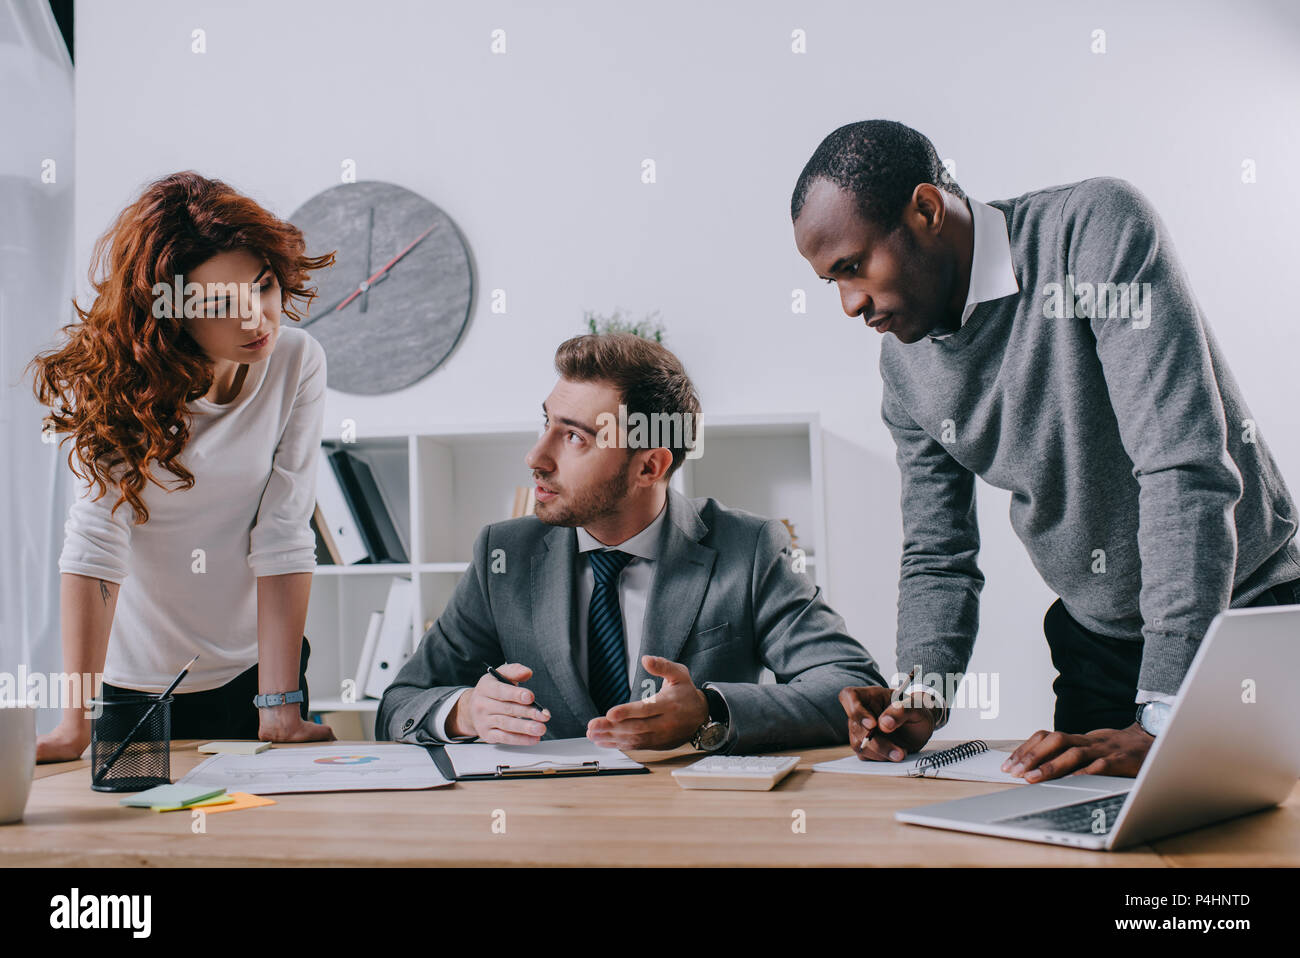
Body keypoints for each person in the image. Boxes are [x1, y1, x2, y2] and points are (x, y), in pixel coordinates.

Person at [790, 120, 1300, 781]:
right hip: (1099, 645)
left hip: (1244, 617)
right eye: (831, 281)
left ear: (925, 210)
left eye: (853, 267)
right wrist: (919, 697)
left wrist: (1166, 720)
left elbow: (1183, 471)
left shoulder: (1092, 231)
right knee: (1074, 840)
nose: (850, 303)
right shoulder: (904, 369)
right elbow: (938, 555)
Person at [377, 333, 885, 752]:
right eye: (546, 424)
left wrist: (712, 710)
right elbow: (400, 704)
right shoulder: (503, 556)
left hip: (695, 832)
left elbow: (852, 686)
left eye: (574, 437)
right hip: (546, 830)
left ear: (650, 466)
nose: (536, 456)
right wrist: (465, 710)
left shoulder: (746, 548)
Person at [31, 171, 338, 759]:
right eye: (222, 303)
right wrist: (74, 725)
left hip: (257, 674)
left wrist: (281, 708)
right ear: (168, 310)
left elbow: (284, 530)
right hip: (131, 687)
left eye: (264, 286)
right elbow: (96, 545)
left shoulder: (297, 360)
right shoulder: (107, 382)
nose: (257, 321)